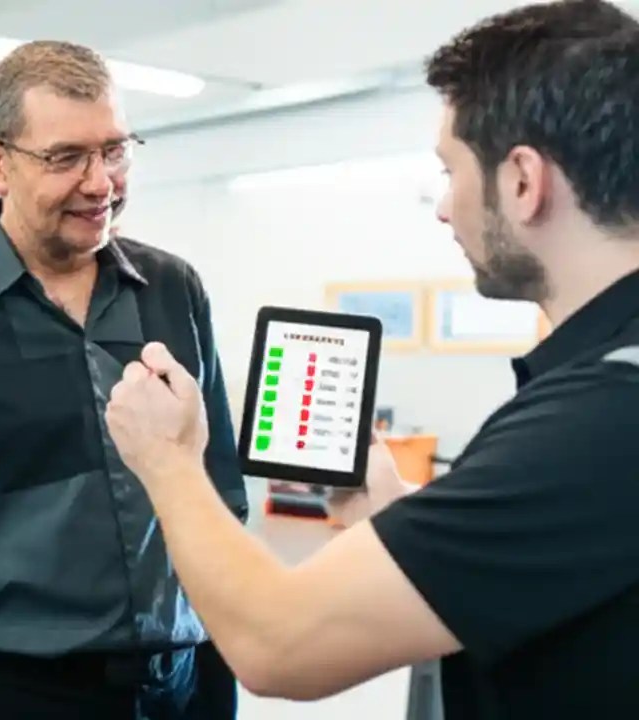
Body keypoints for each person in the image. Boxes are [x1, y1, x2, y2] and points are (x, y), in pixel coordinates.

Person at [103, 1, 639, 717]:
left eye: (450, 171)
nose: (444, 208)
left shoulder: (601, 420)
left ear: (521, 181)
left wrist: (167, 463)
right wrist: (390, 516)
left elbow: (278, 642)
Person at [0, 40, 248, 720]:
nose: (100, 182)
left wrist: (226, 646)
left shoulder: (174, 289)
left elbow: (220, 485)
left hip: (187, 683)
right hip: (24, 696)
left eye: (115, 150)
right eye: (66, 157)